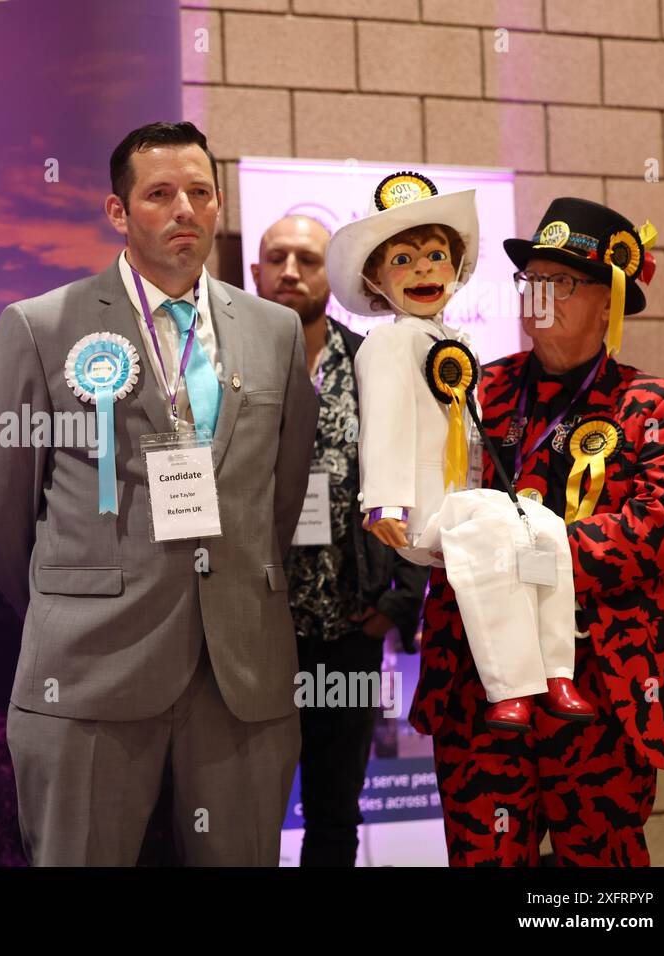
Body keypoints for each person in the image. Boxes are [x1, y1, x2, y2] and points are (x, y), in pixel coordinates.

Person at [0, 121, 318, 866]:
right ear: (119, 213)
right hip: (89, 668)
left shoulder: (276, 331)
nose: (184, 208)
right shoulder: (40, 326)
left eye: (199, 192)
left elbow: (279, 498)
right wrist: (71, 599)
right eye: (160, 194)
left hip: (240, 675)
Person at [412, 196, 664, 865]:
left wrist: (526, 548)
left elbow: (663, 525)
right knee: (484, 856)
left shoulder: (652, 405)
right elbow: (440, 501)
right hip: (480, 685)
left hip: (601, 687)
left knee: (599, 867)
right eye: (532, 281)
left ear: (610, 302)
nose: (541, 297)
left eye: (562, 283)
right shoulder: (475, 391)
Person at [327, 172, 594, 733]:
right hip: (423, 505)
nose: (423, 270)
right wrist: (385, 502)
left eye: (434, 255)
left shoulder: (456, 342)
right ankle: (511, 687)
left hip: (462, 493)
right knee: (498, 533)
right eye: (402, 260)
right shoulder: (388, 344)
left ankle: (556, 668)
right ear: (376, 280)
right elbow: (383, 422)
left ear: (456, 265)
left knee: (542, 525)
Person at [252, 214, 429, 866]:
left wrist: (397, 601)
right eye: (277, 258)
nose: (291, 270)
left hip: (348, 631)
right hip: (254, 638)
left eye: (308, 258)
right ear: (255, 273)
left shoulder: (372, 365)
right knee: (246, 810)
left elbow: (415, 480)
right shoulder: (220, 370)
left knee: (334, 813)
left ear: (335, 276)